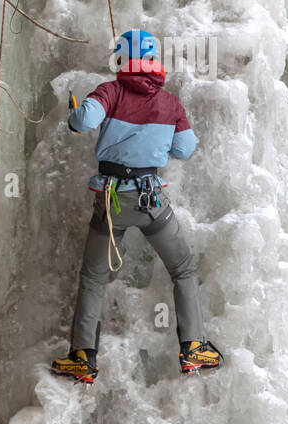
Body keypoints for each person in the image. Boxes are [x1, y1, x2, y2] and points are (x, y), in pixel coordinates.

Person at [52, 29, 222, 384]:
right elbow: (185, 149)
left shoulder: (110, 92)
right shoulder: (170, 103)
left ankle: (83, 357)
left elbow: (83, 122)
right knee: (183, 269)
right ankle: (193, 347)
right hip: (151, 201)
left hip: (111, 201)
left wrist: (75, 113)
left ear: (121, 59)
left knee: (94, 277)